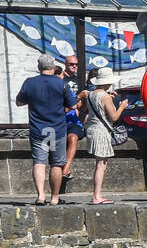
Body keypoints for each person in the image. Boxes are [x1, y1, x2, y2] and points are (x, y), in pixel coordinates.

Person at [15, 53, 77, 205]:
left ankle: (41, 196)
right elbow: (73, 105)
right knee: (56, 164)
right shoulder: (61, 83)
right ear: (54, 67)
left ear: (39, 67)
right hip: (57, 130)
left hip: (38, 129)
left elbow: (18, 102)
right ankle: (55, 197)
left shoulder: (30, 83)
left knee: (39, 162)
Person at [80, 68, 125, 205]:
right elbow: (114, 117)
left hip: (93, 129)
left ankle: (97, 195)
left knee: (99, 164)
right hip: (101, 132)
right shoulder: (105, 97)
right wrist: (122, 106)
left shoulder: (91, 94)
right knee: (101, 165)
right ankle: (97, 196)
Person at [61, 54, 84, 189]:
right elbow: (62, 105)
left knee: (73, 137)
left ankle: (65, 170)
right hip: (61, 118)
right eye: (71, 64)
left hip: (73, 119)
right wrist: (75, 101)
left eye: (76, 64)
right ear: (65, 64)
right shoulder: (60, 79)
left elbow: (80, 102)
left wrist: (77, 102)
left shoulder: (78, 80)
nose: (74, 66)